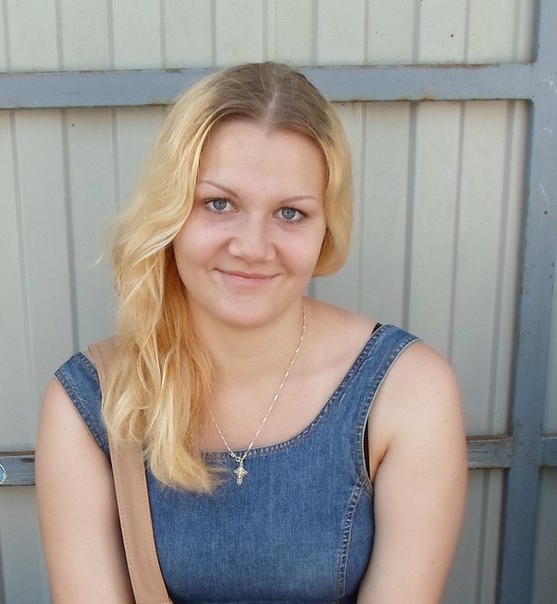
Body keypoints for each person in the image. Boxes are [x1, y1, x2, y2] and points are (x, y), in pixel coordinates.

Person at [36, 62, 467, 603]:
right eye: (219, 204)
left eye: (290, 213)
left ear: (326, 228)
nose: (252, 247)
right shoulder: (93, 401)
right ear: (169, 213)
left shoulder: (406, 391)